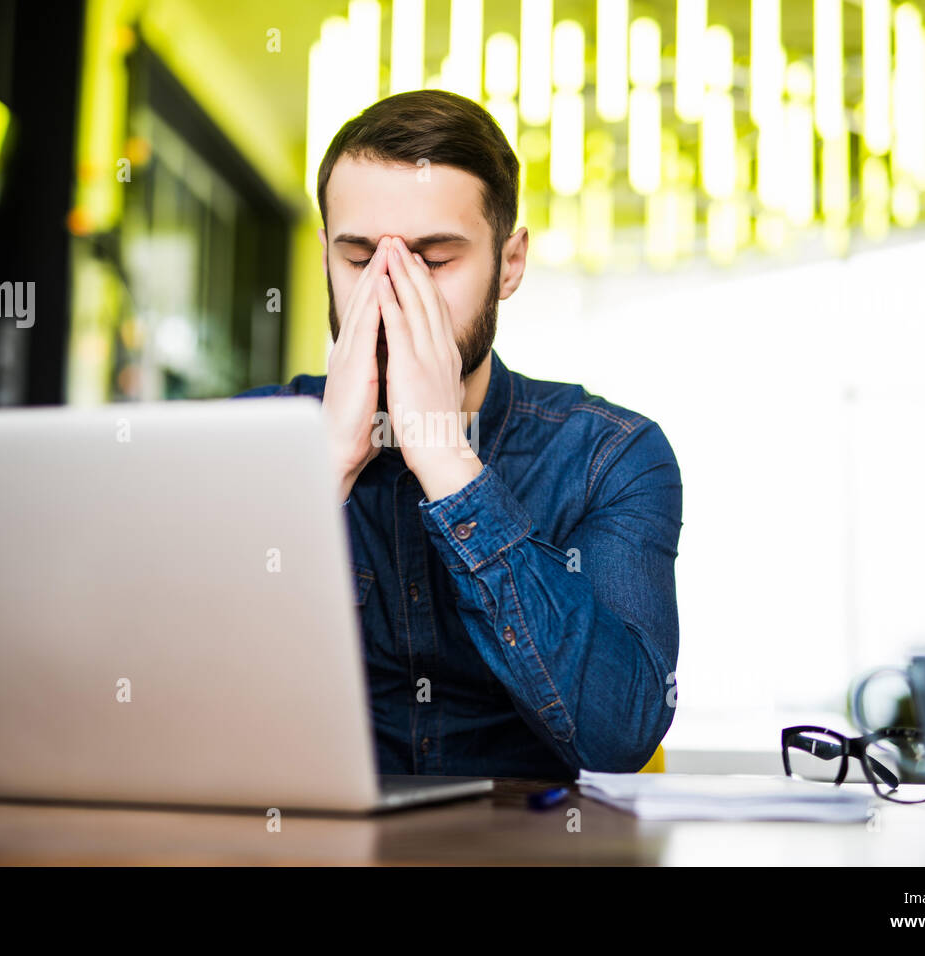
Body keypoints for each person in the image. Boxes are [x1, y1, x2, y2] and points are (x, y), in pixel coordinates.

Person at [235, 89, 681, 778]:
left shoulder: (608, 457)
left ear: (509, 263)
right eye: (359, 261)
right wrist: (320, 472)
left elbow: (617, 733)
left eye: (434, 260)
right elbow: (149, 693)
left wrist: (447, 460)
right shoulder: (245, 438)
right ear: (325, 254)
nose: (390, 295)